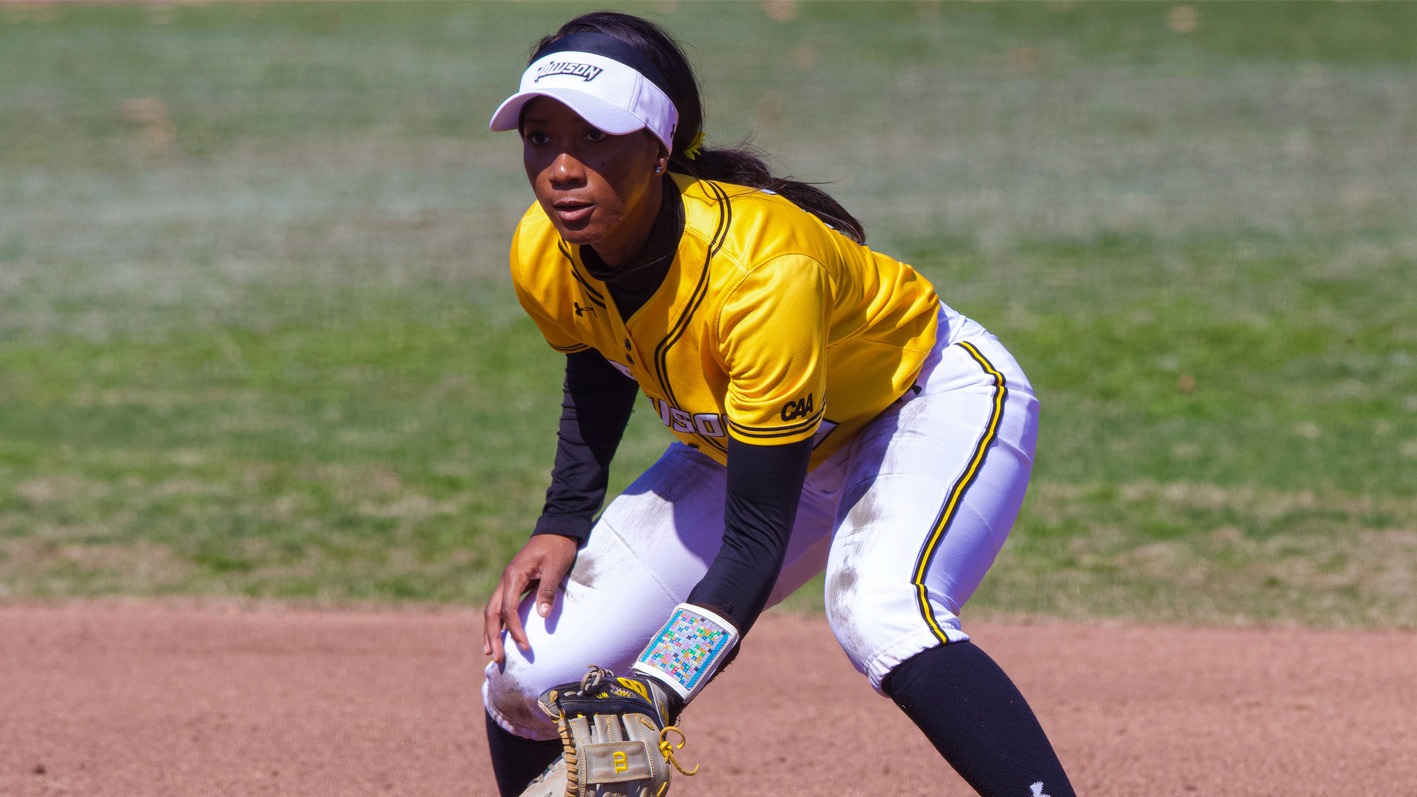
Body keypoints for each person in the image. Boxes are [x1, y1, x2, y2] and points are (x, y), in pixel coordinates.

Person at [481, 11, 1075, 797]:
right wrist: (563, 518)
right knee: (529, 668)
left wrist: (658, 688)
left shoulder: (763, 272)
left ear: (658, 149)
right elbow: (598, 352)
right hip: (748, 446)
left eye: (595, 138)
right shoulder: (543, 248)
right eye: (539, 137)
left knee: (881, 610)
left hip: (921, 404)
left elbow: (756, 534)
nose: (560, 168)